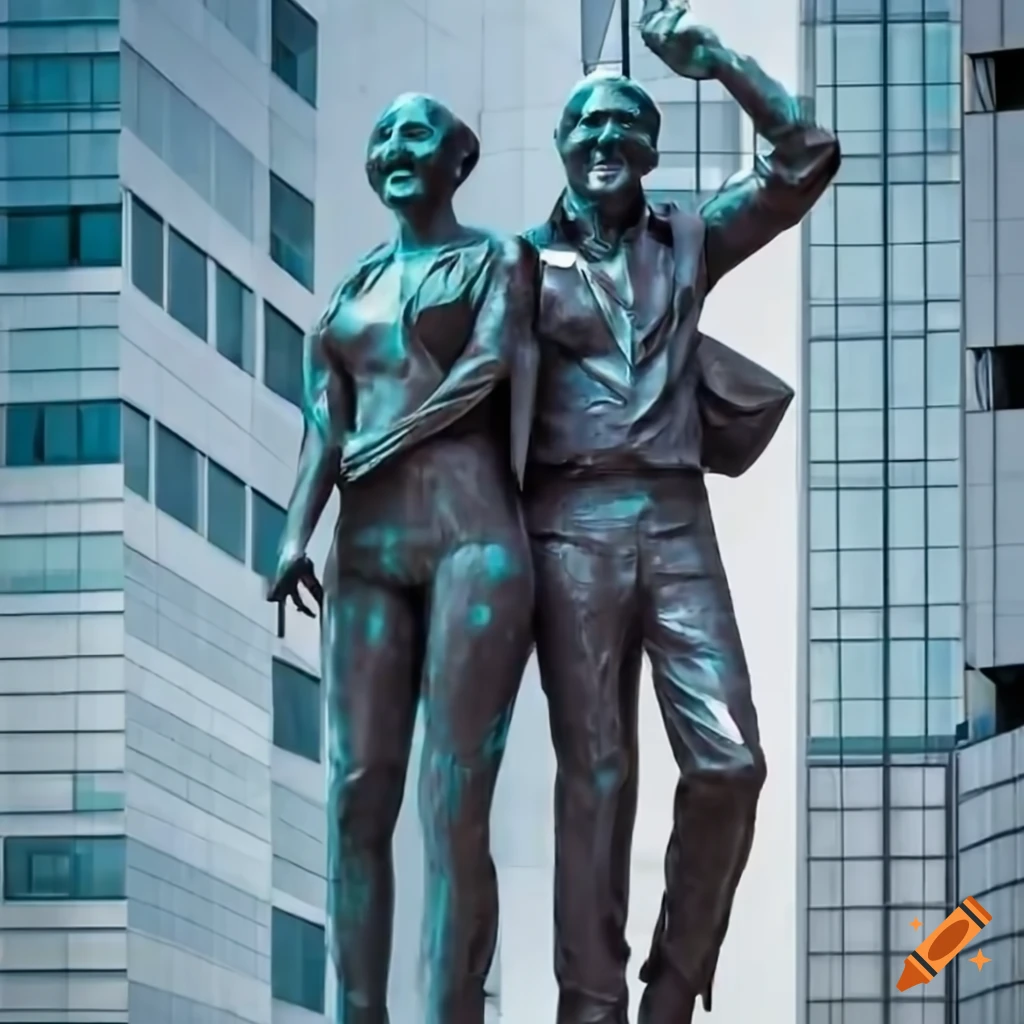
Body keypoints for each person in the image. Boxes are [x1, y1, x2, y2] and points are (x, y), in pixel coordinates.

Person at [521, 2, 841, 1022]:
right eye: (586, 127)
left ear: (651, 147)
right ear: (563, 150)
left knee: (731, 762)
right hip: (566, 524)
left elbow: (805, 160)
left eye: (624, 124)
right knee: (595, 775)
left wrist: (719, 64)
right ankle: (590, 1001)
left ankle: (671, 981)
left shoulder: (688, 238)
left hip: (673, 518)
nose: (605, 139)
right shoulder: (517, 267)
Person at [267, 92, 537, 1024]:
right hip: (369, 555)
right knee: (354, 793)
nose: (393, 147)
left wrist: (404, 433)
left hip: (475, 542)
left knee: (451, 798)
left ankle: (452, 1010)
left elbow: (494, 360)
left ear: (458, 158)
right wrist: (293, 534)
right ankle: (357, 1014)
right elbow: (323, 432)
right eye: (380, 135)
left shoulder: (496, 258)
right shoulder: (346, 294)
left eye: (414, 133)